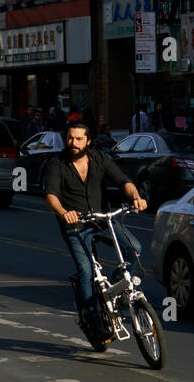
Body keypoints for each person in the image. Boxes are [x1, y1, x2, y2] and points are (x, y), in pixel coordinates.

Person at [42, 121, 146, 341]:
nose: (74, 143)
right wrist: (63, 213)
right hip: (75, 225)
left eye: (79, 139)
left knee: (134, 248)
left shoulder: (99, 158)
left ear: (88, 141)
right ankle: (91, 317)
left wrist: (136, 197)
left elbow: (123, 181)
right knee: (86, 270)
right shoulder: (56, 164)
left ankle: (114, 296)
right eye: (70, 138)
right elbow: (51, 195)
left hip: (101, 220)